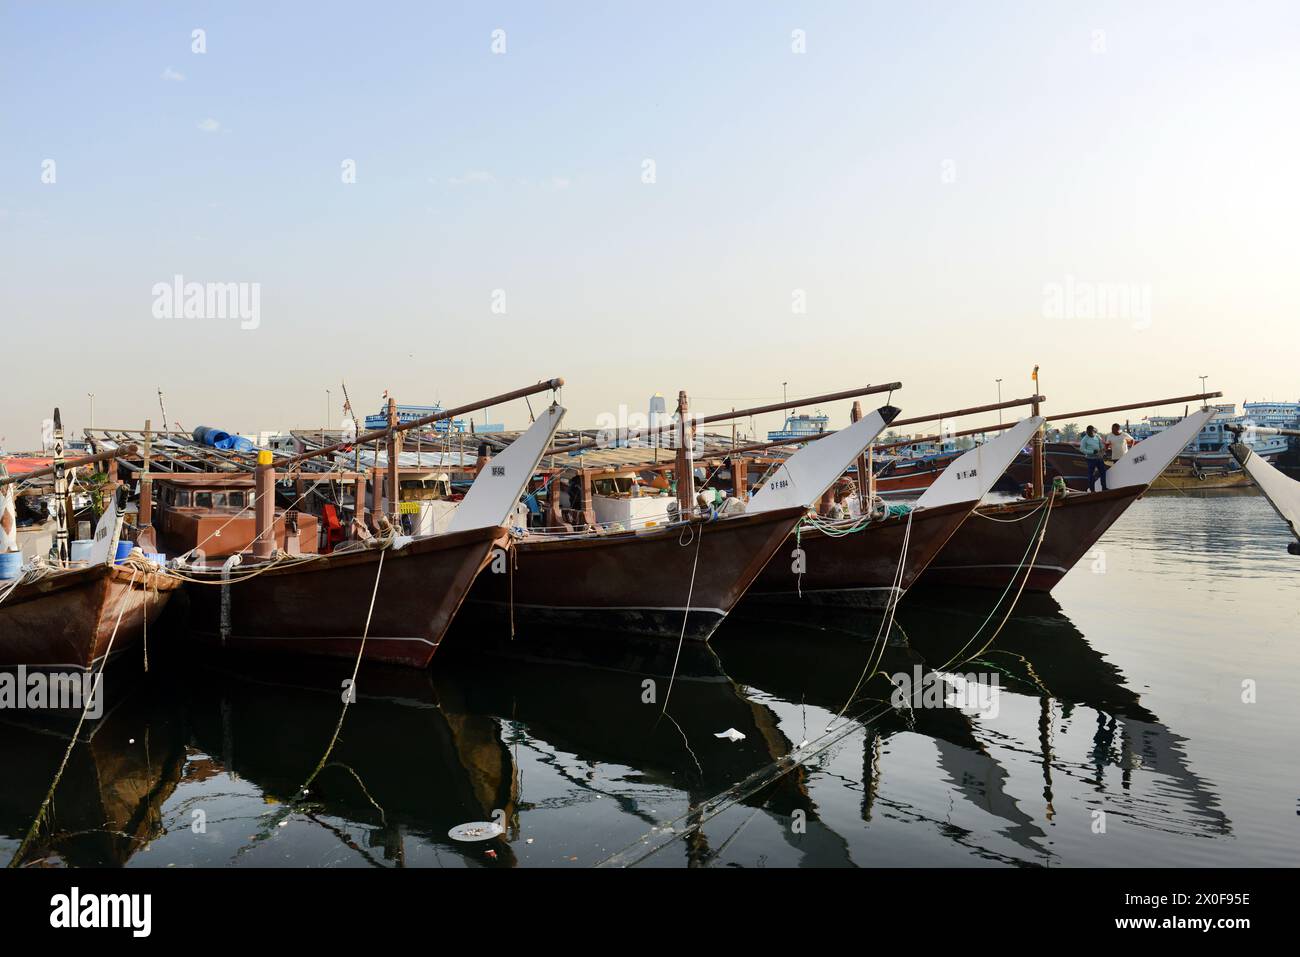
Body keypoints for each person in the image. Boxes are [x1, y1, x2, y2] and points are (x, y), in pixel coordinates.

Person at [1079, 425, 1106, 491]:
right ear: (1087, 432)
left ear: (1094, 431)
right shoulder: (1085, 439)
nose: (1090, 433)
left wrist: (1103, 451)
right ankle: (1092, 490)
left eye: (1092, 432)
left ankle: (1104, 488)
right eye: (1089, 432)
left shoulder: (1097, 436)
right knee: (1091, 475)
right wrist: (1092, 452)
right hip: (1090, 459)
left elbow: (1101, 445)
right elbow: (1082, 449)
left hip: (1099, 458)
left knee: (1103, 473)